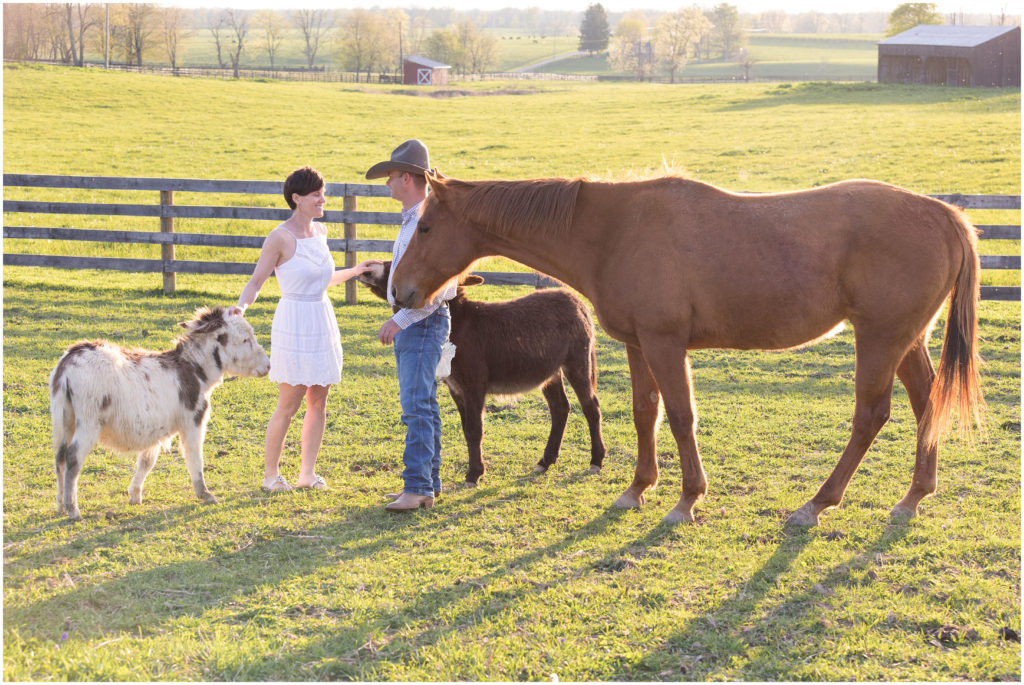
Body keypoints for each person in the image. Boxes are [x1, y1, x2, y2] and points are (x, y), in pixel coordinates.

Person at [230, 166, 380, 492]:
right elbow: (256, 281)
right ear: (296, 198)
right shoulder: (279, 237)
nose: (322, 200)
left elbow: (322, 279)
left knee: (319, 401)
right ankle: (271, 476)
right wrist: (242, 307)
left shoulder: (321, 232)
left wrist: (355, 271)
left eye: (323, 194)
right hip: (294, 321)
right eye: (316, 195)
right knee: (289, 403)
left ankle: (307, 474)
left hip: (321, 318)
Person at [365, 140, 457, 511]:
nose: (387, 182)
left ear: (406, 178)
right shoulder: (414, 220)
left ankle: (418, 486)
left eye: (390, 176)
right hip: (421, 324)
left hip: (422, 323)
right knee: (424, 404)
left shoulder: (427, 223)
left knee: (416, 404)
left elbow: (441, 286)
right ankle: (427, 484)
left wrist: (399, 320)